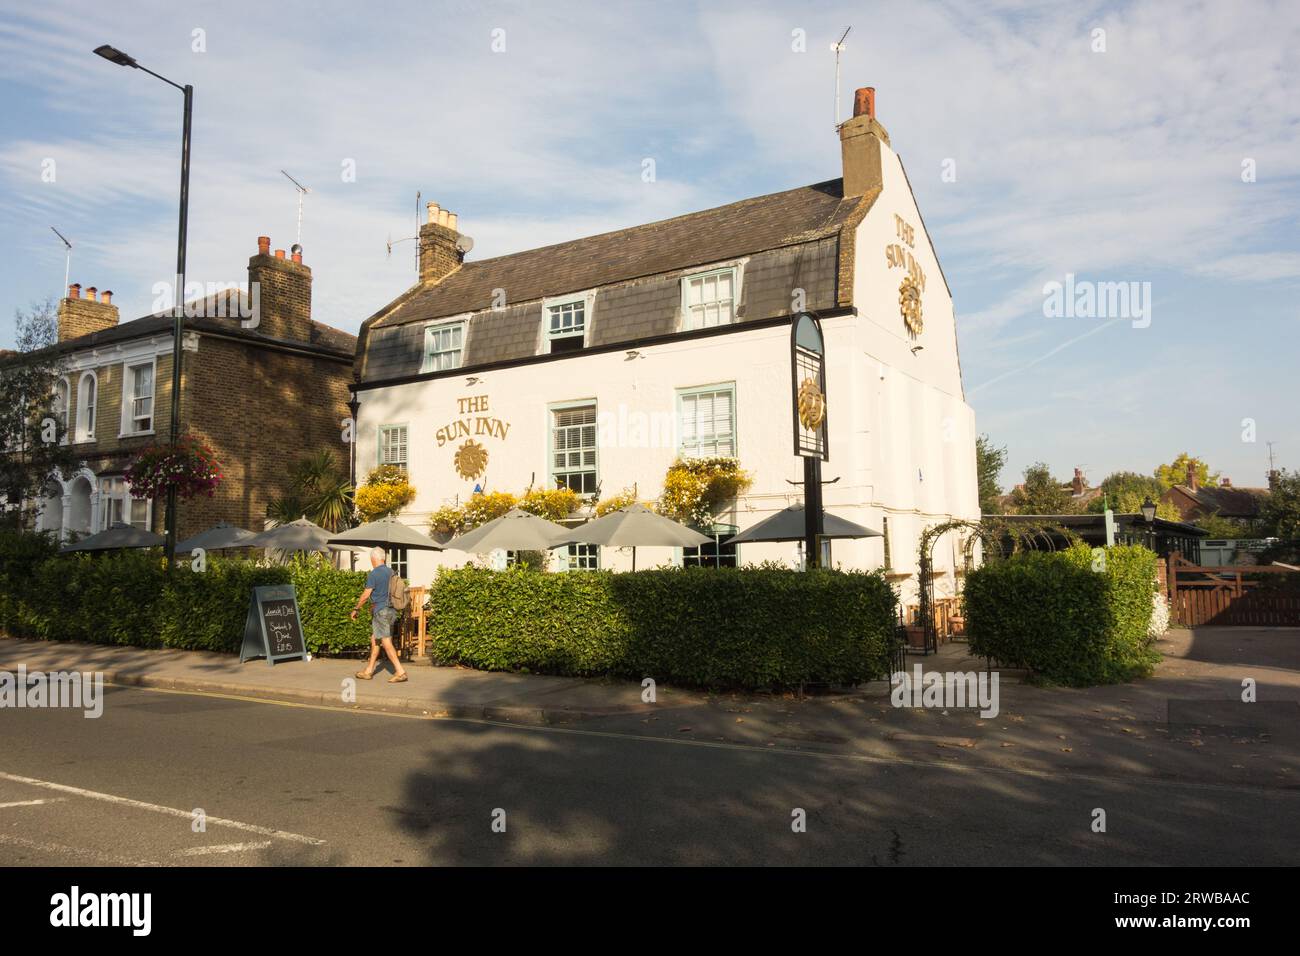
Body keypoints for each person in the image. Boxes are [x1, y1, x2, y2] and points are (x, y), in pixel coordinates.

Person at [351, 546, 408, 683]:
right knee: (375, 639)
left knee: (386, 641)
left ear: (374, 559)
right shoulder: (391, 572)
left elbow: (365, 595)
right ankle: (369, 671)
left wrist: (356, 608)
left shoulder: (374, 573)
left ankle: (400, 672)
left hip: (381, 612)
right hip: (392, 610)